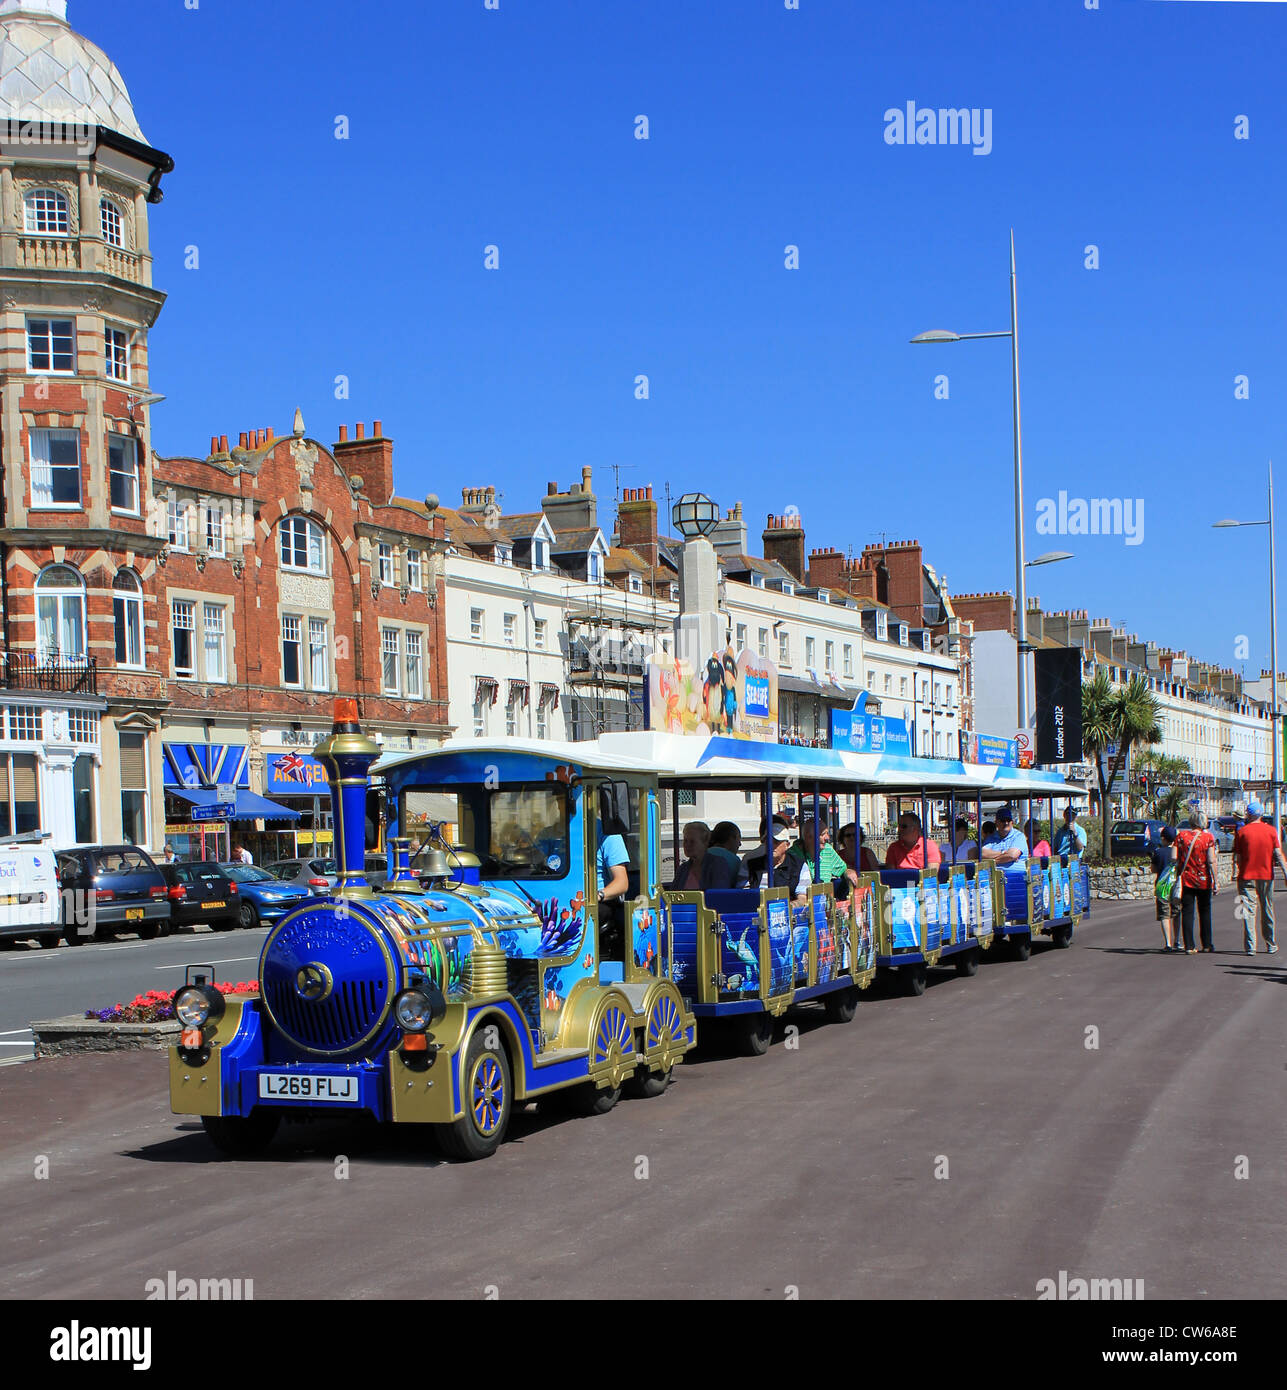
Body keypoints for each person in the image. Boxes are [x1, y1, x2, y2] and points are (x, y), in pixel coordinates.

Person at [1232, 800, 1286, 956]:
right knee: (1267, 908)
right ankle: (1270, 943)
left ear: (1248, 814)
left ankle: (1251, 946)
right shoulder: (1270, 831)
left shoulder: (1242, 832)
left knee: (1248, 911)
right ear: (1261, 814)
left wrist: (1237, 871)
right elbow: (1278, 854)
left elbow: (1238, 857)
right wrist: (1285, 871)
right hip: (1266, 875)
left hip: (1246, 876)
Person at [1173, 810, 1218, 955]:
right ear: (1203, 822)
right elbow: (1211, 860)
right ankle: (1207, 944)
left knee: (1187, 912)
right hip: (1204, 879)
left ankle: (1189, 946)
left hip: (1187, 879)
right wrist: (1216, 880)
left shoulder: (1181, 836)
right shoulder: (1208, 837)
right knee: (1205, 911)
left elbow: (1173, 857)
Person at [596, 814, 630, 958]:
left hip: (596, 902)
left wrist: (597, 895)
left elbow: (621, 883)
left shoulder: (607, 833)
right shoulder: (550, 833)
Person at [669, 821, 734, 892]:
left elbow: (719, 895)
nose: (687, 845)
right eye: (685, 841)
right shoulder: (683, 868)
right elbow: (672, 894)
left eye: (692, 841)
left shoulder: (717, 864)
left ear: (705, 842)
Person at [1150, 824, 1179, 952]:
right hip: (1175, 884)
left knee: (1164, 914)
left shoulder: (1157, 852)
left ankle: (1168, 942)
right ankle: (1177, 940)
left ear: (1163, 838)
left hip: (1162, 886)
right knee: (1176, 912)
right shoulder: (1177, 851)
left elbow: (1153, 869)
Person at [743, 813, 789, 885]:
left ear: (787, 845)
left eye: (776, 842)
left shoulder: (797, 865)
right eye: (769, 841)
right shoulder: (750, 862)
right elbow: (743, 890)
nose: (772, 845)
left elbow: (802, 894)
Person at [980, 807, 1029, 873]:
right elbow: (983, 854)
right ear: (996, 822)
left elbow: (1012, 855)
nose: (1006, 823)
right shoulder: (991, 837)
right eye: (1003, 820)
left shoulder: (1019, 836)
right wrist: (1004, 853)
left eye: (1008, 820)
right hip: (994, 877)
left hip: (1016, 876)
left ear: (1012, 822)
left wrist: (991, 862)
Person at [708, 822, 750, 888]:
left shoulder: (701, 855)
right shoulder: (735, 861)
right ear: (731, 838)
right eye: (738, 838)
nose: (740, 844)